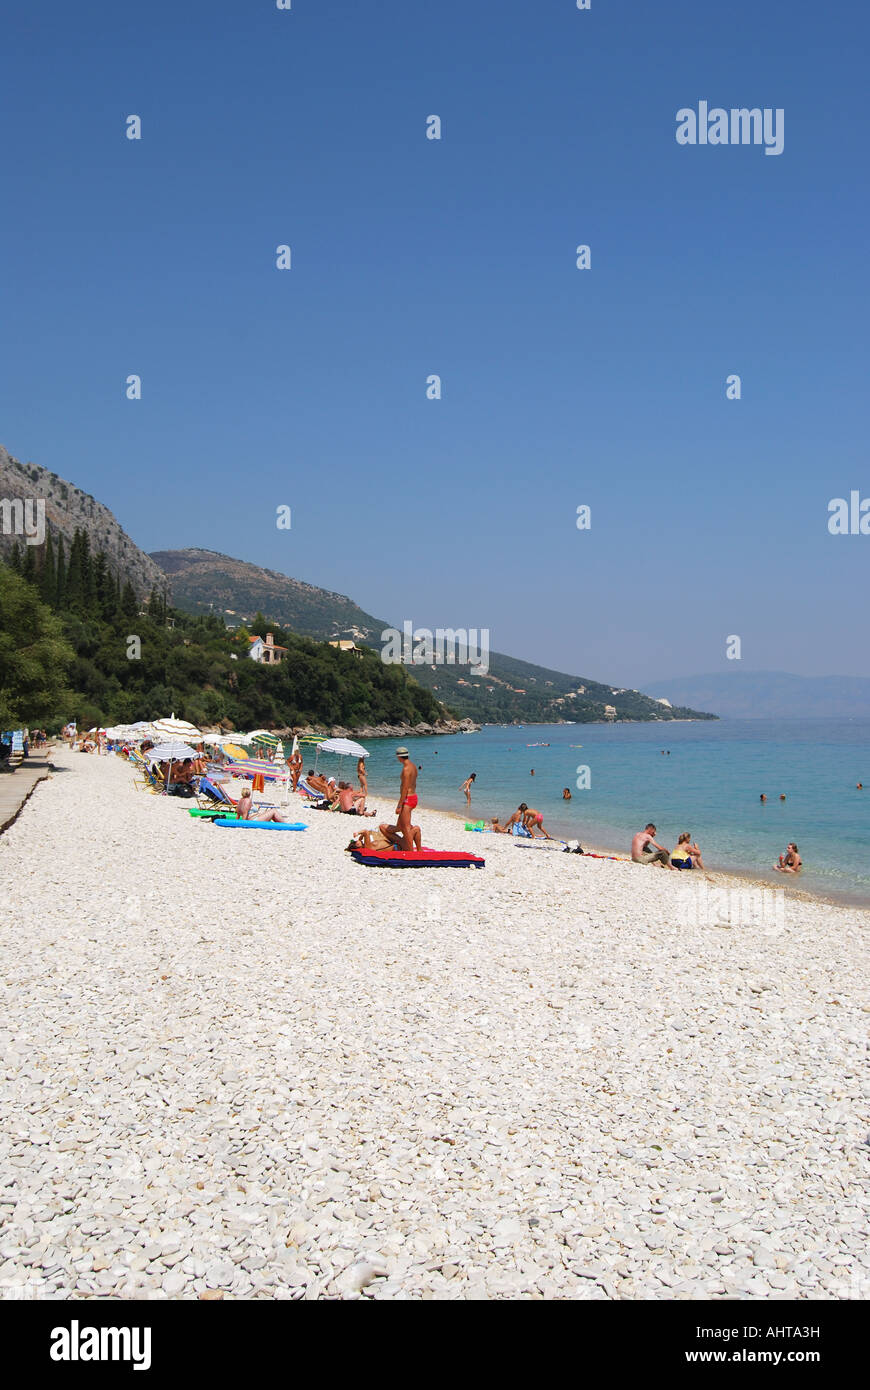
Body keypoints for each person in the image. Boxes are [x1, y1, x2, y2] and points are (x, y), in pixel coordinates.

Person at [395, 747, 418, 850]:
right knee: (401, 826)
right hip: (413, 797)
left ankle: (410, 850)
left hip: (407, 799)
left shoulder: (406, 769)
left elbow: (405, 788)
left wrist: (399, 805)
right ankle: (418, 848)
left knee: (406, 827)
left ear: (399, 757)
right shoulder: (413, 766)